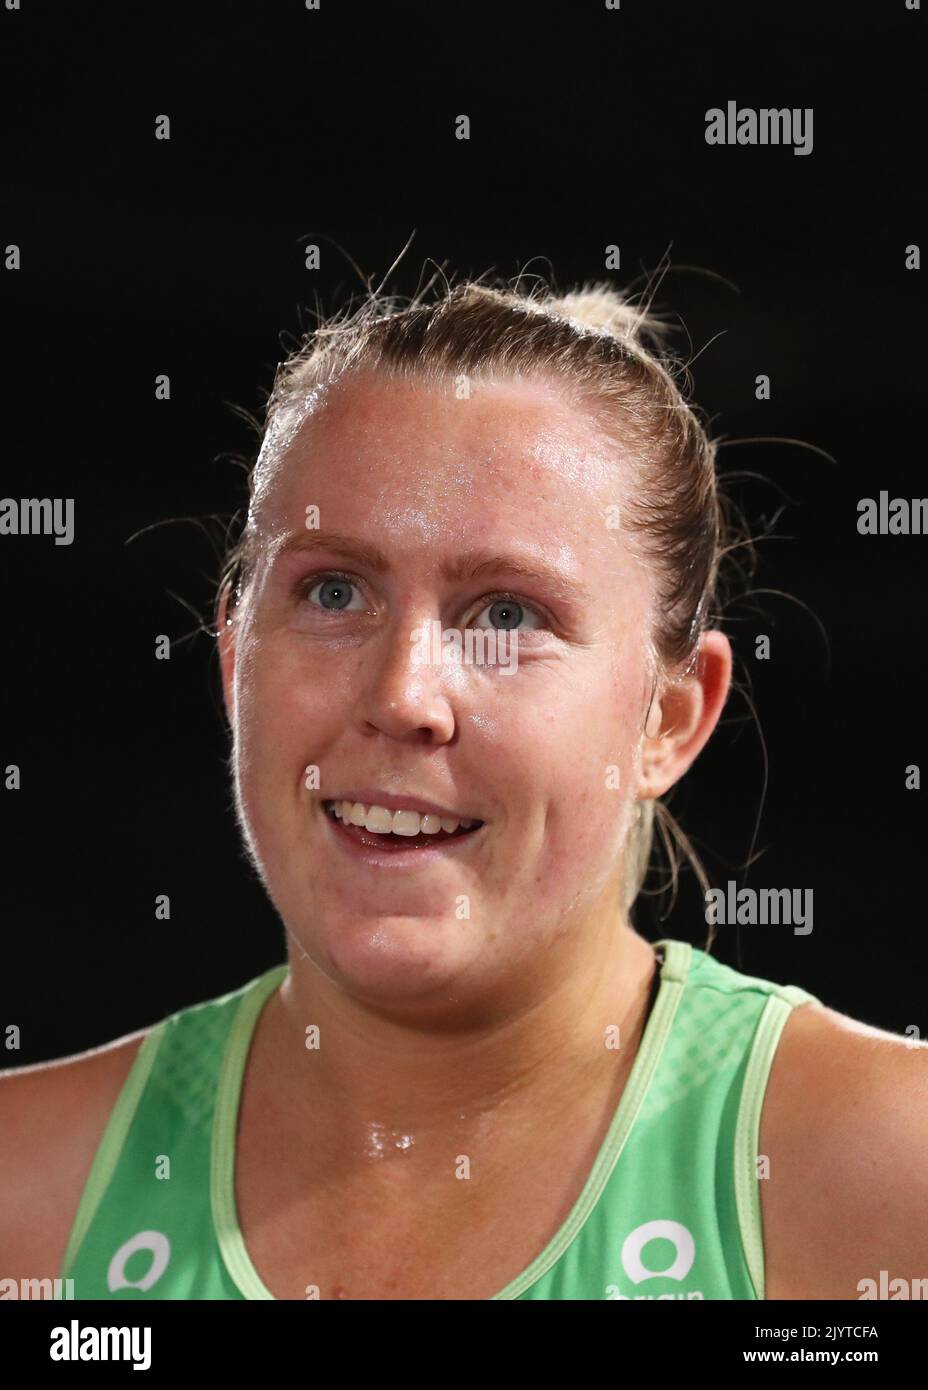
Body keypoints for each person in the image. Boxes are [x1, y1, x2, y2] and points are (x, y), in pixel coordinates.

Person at [1, 274, 925, 1302]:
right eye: (334, 591)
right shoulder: (22, 1196)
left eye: (506, 613)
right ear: (233, 662)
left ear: (669, 717)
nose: (404, 697)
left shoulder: (885, 1170)